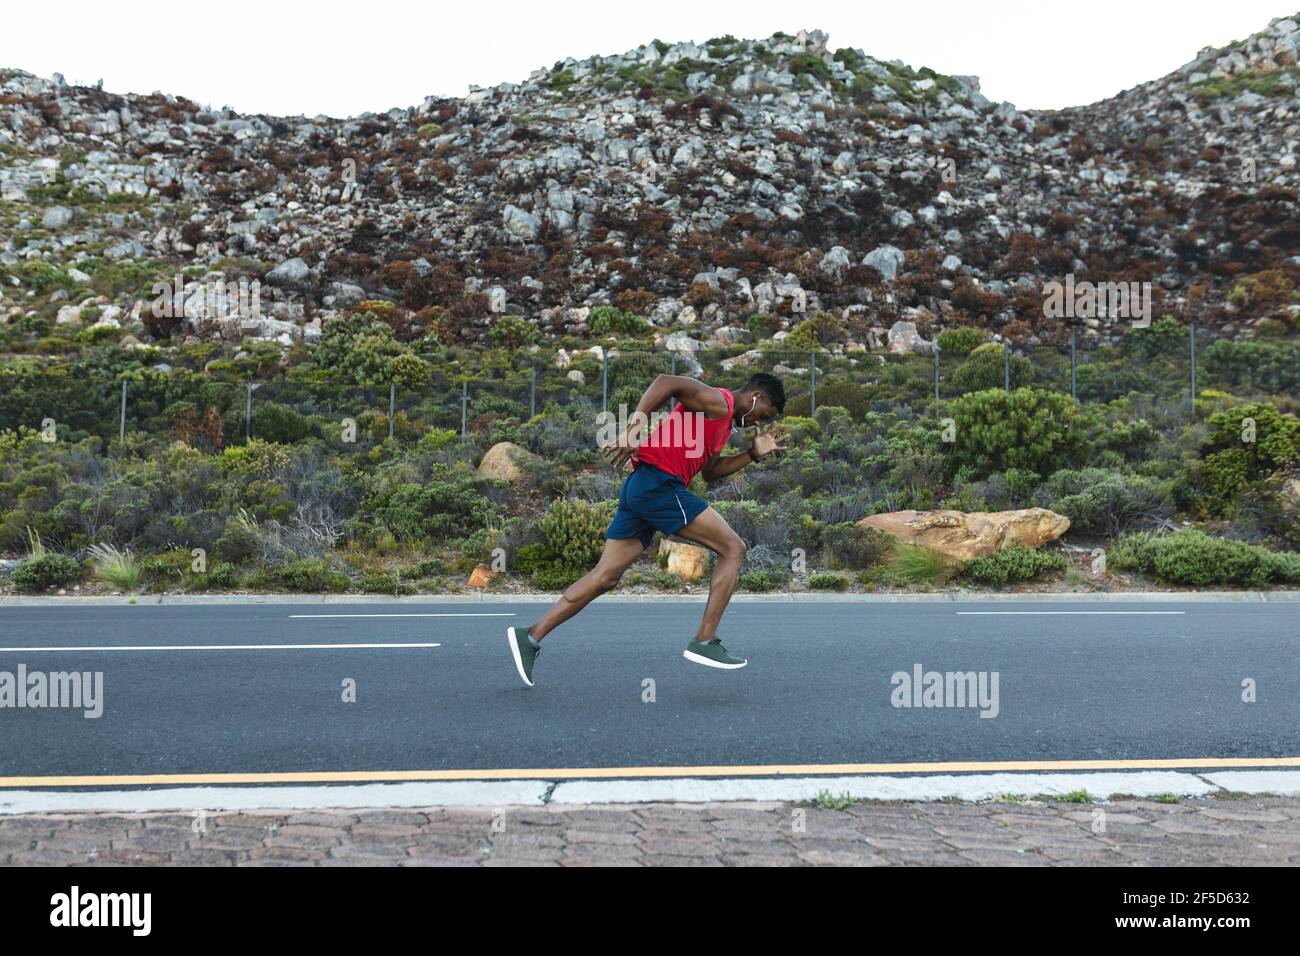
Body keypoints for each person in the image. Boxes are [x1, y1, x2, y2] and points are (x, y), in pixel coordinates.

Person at [508, 372, 787, 686]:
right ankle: (705, 640)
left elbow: (710, 473)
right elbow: (666, 382)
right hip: (658, 486)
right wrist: (633, 429)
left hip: (641, 487)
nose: (758, 422)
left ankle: (530, 636)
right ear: (756, 397)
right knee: (733, 549)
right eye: (764, 414)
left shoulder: (721, 423)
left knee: (605, 577)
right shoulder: (719, 402)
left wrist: (751, 455)